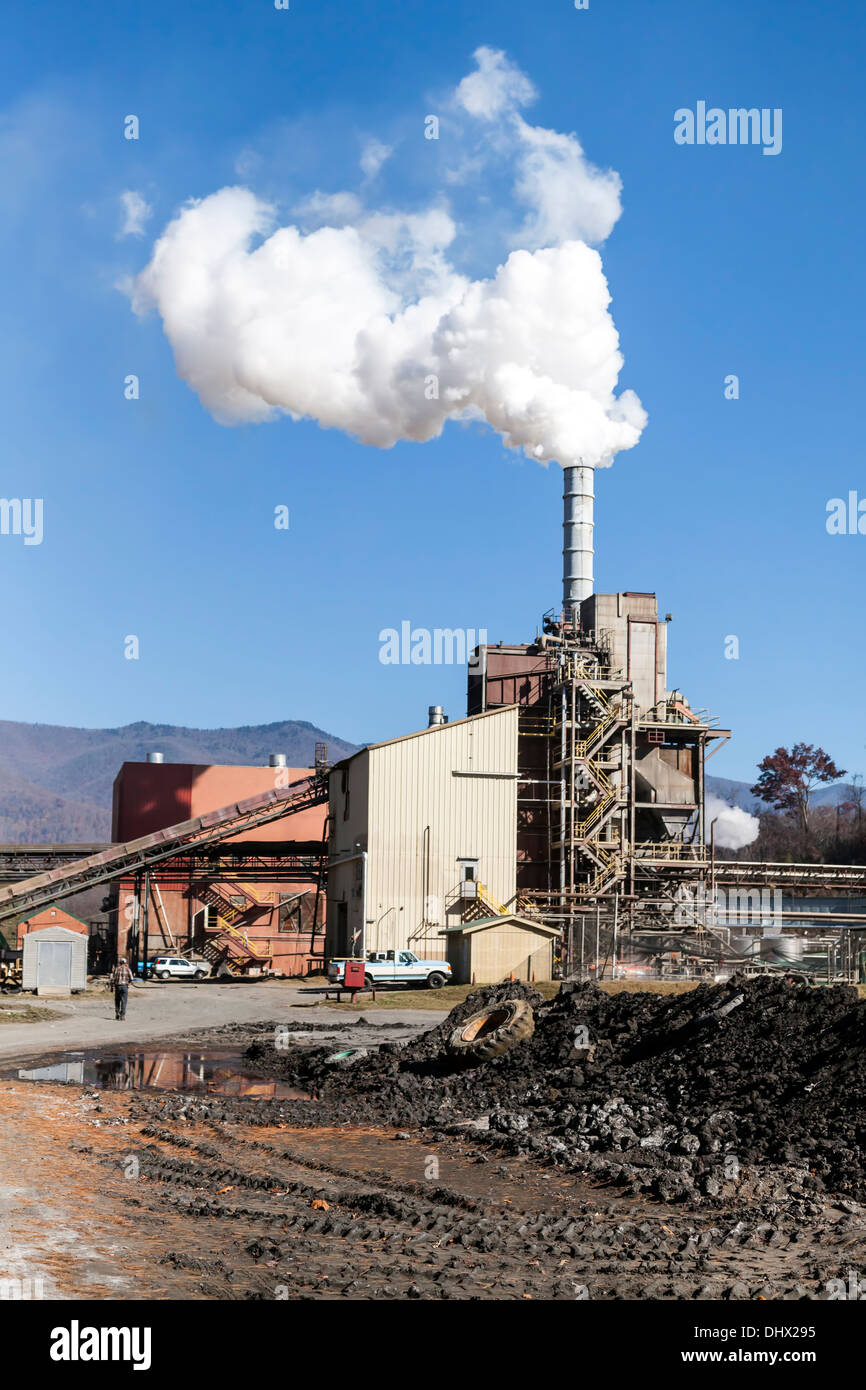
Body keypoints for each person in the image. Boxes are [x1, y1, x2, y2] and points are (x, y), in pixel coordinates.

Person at [109, 955, 132, 1020]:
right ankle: (122, 1016)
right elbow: (131, 978)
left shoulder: (116, 969)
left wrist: (112, 987)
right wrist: (128, 982)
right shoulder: (128, 969)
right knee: (124, 1001)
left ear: (120, 962)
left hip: (117, 987)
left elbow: (113, 979)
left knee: (117, 1000)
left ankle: (117, 1013)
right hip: (125, 986)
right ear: (125, 963)